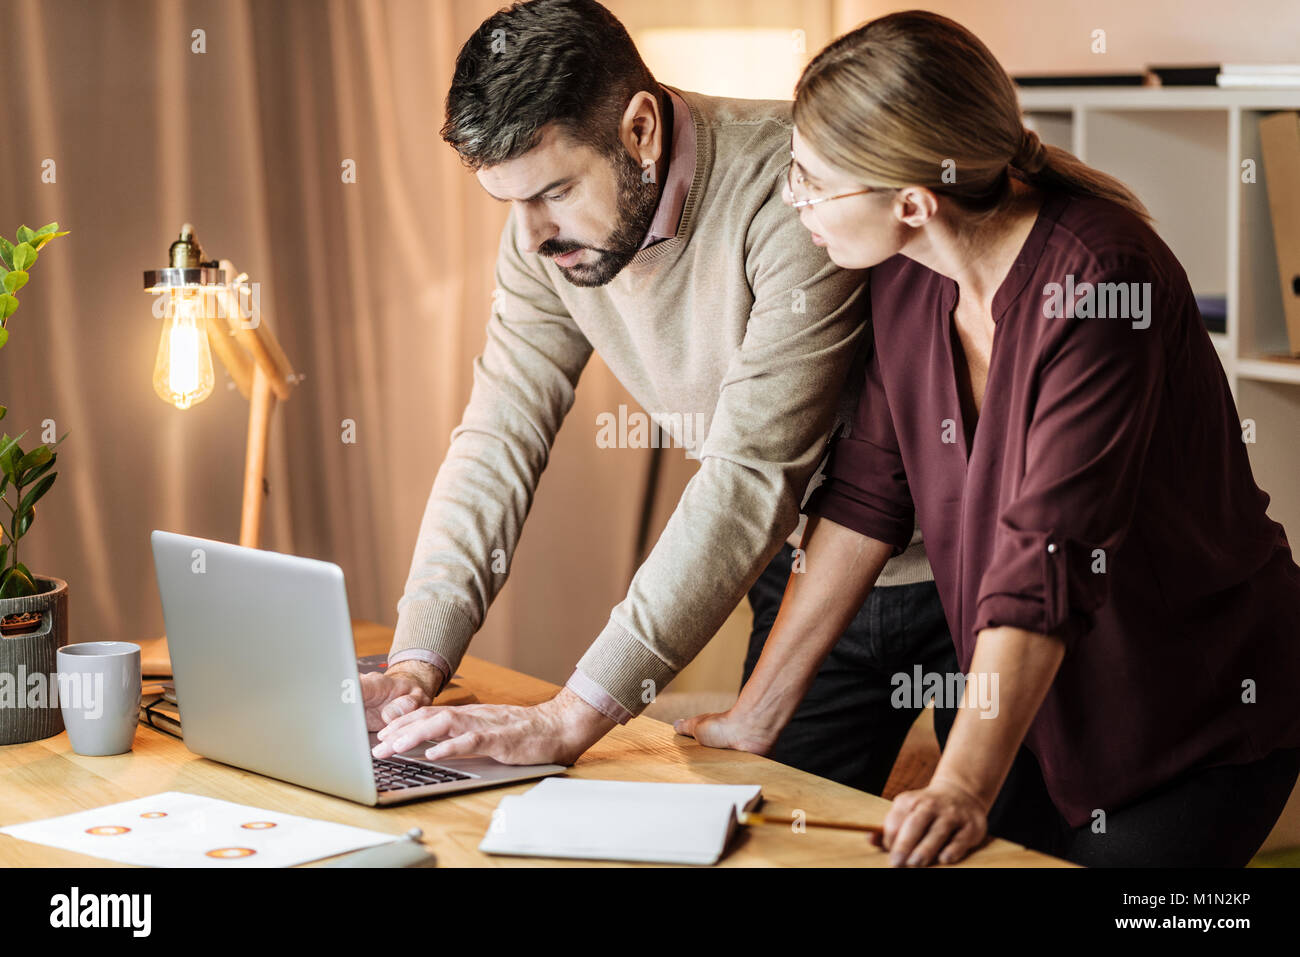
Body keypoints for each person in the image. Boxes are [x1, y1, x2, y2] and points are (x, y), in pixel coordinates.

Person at [677, 10, 1300, 867]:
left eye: (811, 180)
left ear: (910, 200)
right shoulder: (906, 278)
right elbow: (867, 497)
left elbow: (1049, 551)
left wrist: (960, 785)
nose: (795, 201)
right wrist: (756, 712)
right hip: (1035, 715)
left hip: (1187, 716)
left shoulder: (1100, 282)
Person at [365, 0, 954, 791]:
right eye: (512, 202)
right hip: (810, 574)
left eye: (555, 190)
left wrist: (574, 712)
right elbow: (497, 435)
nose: (533, 234)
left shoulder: (793, 190)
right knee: (779, 840)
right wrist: (415, 661)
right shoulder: (540, 239)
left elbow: (750, 473)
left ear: (639, 130)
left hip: (964, 568)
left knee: (1028, 843)